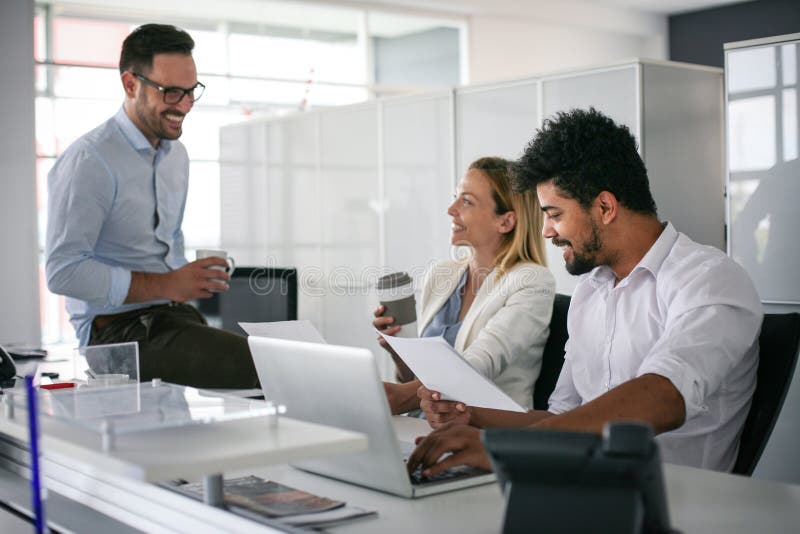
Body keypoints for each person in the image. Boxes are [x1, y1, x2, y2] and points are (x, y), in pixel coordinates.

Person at [407, 108, 762, 475]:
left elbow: (663, 396)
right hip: (581, 487)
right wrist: (471, 416)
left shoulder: (709, 279)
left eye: (555, 214)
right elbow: (563, 419)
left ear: (605, 207)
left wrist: (507, 449)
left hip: (676, 505)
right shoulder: (591, 291)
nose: (546, 231)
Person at [46, 24, 257, 388]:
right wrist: (168, 284)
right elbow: (63, 272)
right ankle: (383, 396)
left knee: (270, 359)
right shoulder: (90, 160)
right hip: (114, 335)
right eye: (172, 92)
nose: (185, 105)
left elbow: (169, 242)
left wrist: (189, 280)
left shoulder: (177, 156)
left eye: (191, 92)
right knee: (266, 365)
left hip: (170, 317)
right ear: (131, 85)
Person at [375, 157, 555, 415]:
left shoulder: (532, 281)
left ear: (506, 221)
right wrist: (398, 350)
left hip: (483, 435)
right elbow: (416, 376)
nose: (451, 209)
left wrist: (404, 397)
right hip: (421, 425)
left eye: (467, 201)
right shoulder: (440, 275)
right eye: (455, 197)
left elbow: (481, 364)